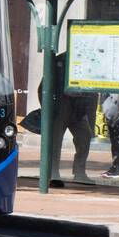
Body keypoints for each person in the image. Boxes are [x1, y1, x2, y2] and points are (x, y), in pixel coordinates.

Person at [43, 51, 98, 184]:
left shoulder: (91, 60)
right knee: (56, 140)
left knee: (84, 136)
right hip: (63, 103)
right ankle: (53, 172)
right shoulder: (59, 60)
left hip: (80, 106)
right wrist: (51, 108)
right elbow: (43, 87)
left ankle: (79, 172)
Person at [101, 93, 119, 178]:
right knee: (114, 140)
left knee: (116, 140)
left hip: (115, 109)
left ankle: (117, 169)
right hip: (111, 109)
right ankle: (115, 167)